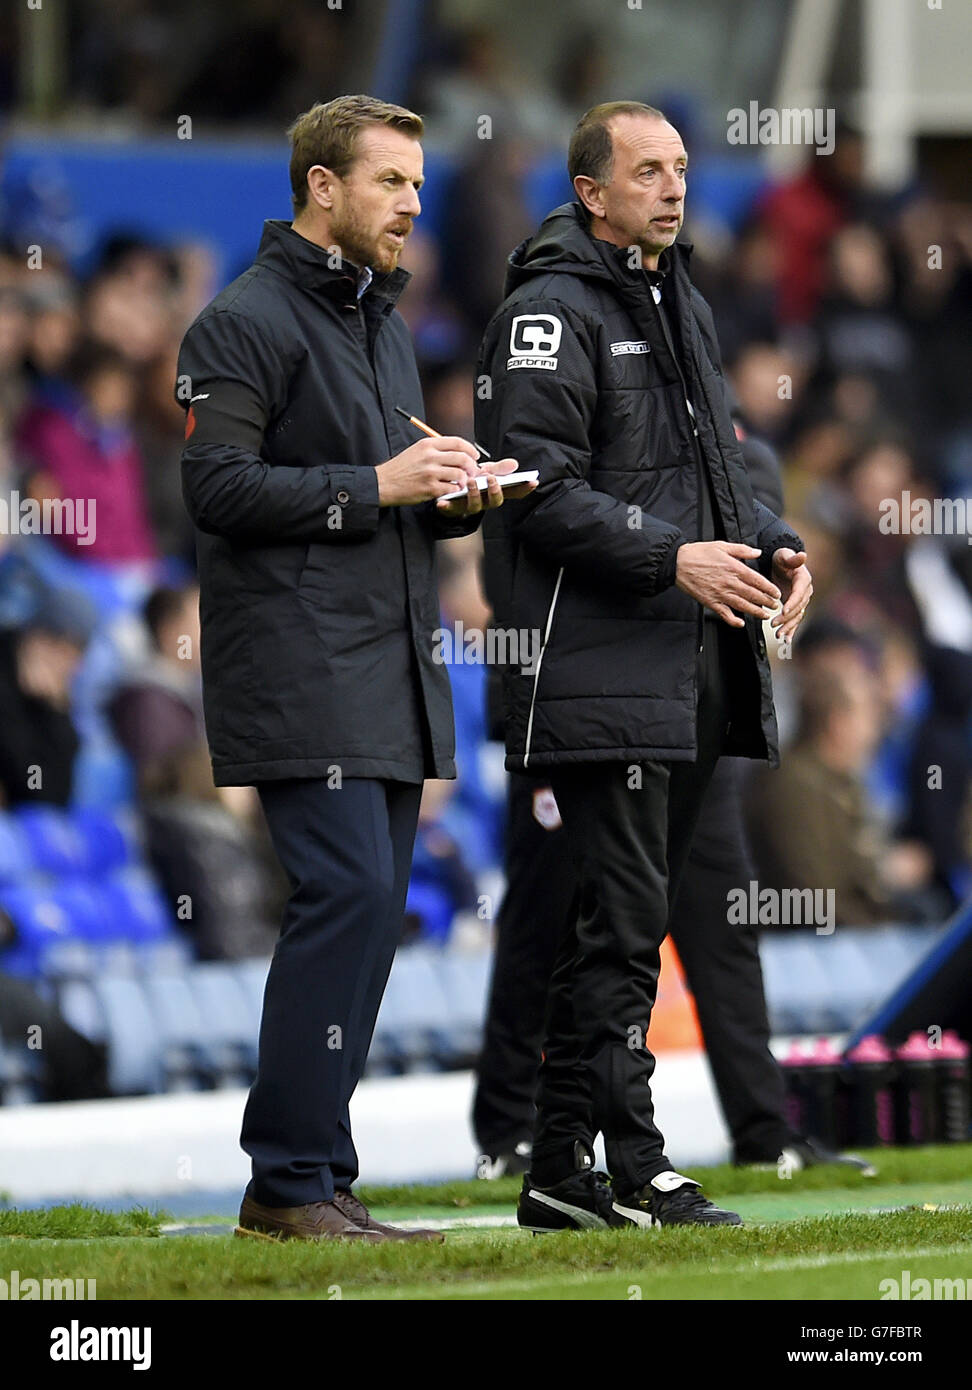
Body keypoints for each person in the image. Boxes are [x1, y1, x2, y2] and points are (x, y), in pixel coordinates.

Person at [176, 94, 531, 1244]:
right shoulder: (239, 323)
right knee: (347, 899)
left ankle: (317, 1173)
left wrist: (448, 494)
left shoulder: (382, 321)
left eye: (421, 185)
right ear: (322, 187)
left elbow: (390, 487)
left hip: (387, 659)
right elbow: (215, 489)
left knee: (374, 912)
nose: (413, 204)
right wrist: (380, 487)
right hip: (296, 657)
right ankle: (285, 1179)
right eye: (390, 182)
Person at [476, 101, 812, 1230]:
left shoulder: (683, 303)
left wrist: (776, 544)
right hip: (596, 666)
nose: (675, 187)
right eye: (648, 171)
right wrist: (674, 559)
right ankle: (637, 1165)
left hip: (685, 665)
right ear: (591, 191)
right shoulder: (547, 313)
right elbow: (535, 489)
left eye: (681, 168)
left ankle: (559, 1168)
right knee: (621, 925)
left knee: (619, 923)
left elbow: (726, 463)